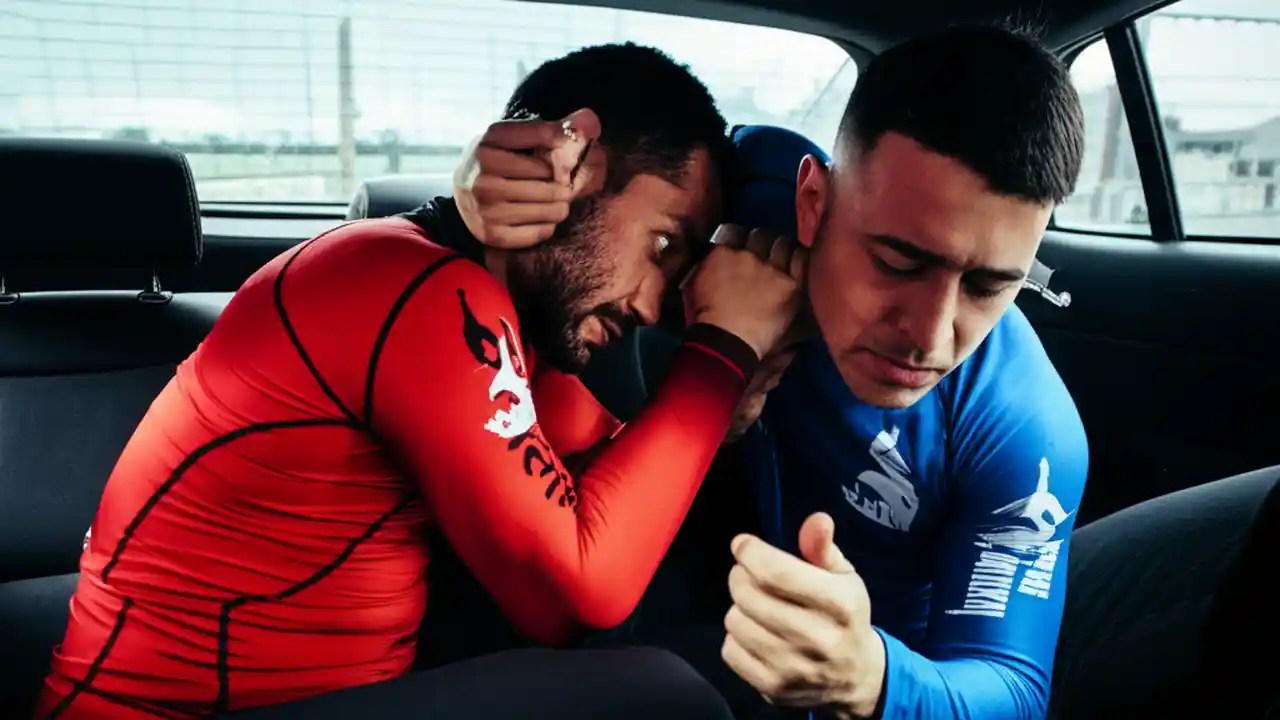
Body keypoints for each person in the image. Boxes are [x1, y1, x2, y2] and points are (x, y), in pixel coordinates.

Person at [36, 43, 806, 719]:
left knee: (714, 655)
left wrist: (727, 406)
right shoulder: (413, 291)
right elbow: (577, 596)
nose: (650, 301)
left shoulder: (493, 307)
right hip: (181, 712)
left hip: (332, 693)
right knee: (673, 696)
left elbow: (603, 469)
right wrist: (723, 350)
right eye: (662, 243)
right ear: (582, 165)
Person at [458, 25, 1092, 719]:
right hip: (681, 601)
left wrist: (872, 677)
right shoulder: (748, 192)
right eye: (897, 263)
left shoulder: (1025, 432)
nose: (930, 337)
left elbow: (1013, 689)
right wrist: (495, 183)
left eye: (989, 287)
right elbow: (602, 182)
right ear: (813, 202)